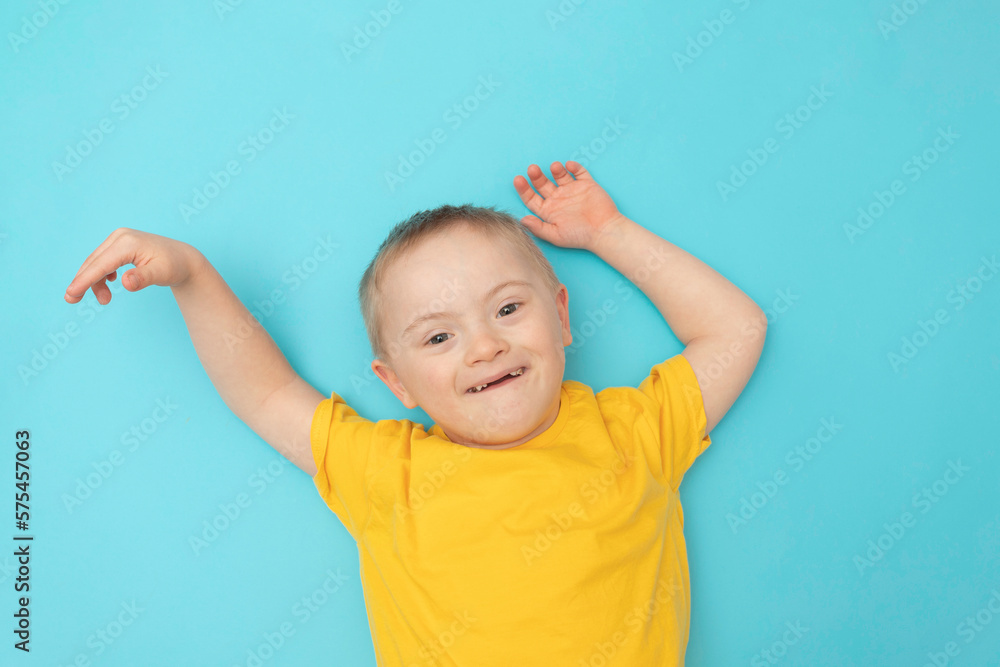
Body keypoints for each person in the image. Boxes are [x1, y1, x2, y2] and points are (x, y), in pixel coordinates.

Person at [64, 160, 767, 666]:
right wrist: (190, 273)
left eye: (509, 308)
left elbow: (737, 328)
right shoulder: (389, 470)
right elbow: (267, 392)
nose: (485, 344)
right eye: (439, 336)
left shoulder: (633, 432)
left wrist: (608, 232)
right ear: (395, 381)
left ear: (561, 316)